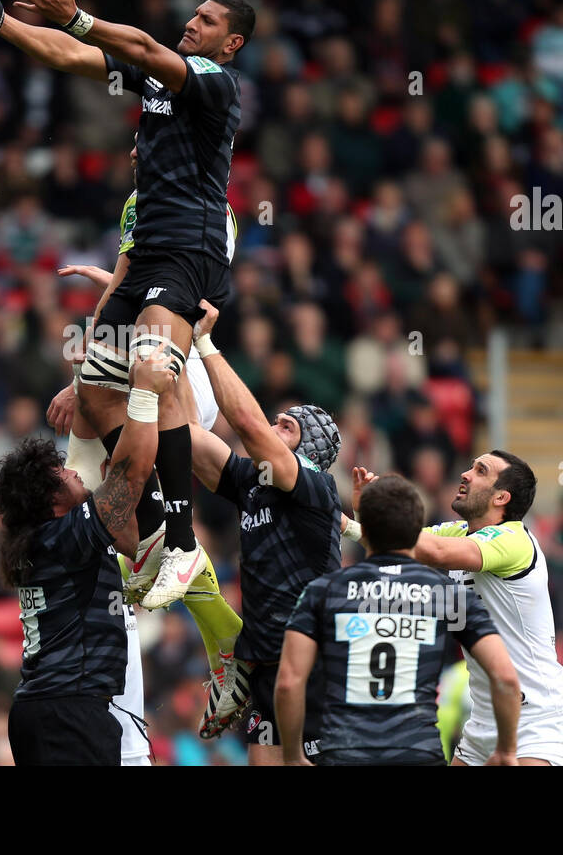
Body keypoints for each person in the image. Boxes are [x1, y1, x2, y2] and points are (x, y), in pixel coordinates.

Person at [0, 0, 255, 609]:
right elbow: (78, 56)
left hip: (187, 252)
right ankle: (142, 527)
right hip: (146, 253)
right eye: (193, 15)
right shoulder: (156, 84)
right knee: (91, 391)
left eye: (207, 20)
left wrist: (76, 14)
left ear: (232, 43)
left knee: (153, 370)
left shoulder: (214, 83)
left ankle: (179, 540)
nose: (192, 23)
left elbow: (134, 47)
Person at [48, 139, 243, 760]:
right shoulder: (205, 205)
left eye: (148, 142)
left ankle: (179, 544)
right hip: (173, 374)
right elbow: (145, 288)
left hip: (166, 379)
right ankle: (224, 644)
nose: (136, 150)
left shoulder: (153, 202)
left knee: (108, 505)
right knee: (115, 523)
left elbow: (152, 293)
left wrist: (84, 372)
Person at [0, 344, 177, 765]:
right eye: (62, 472)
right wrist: (144, 393)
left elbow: (130, 533)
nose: (74, 471)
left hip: (52, 710)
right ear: (50, 497)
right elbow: (134, 475)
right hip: (68, 713)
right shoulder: (64, 536)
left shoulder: (45, 541)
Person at [186, 301, 352, 761]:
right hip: (265, 661)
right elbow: (188, 436)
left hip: (311, 658)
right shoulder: (251, 485)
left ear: (309, 448)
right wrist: (171, 347)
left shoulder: (315, 486)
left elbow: (247, 424)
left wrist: (204, 342)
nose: (272, 427)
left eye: (287, 425)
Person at [276, 474, 521, 765]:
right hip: (416, 753)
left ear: (364, 529)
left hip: (345, 753)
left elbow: (289, 681)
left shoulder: (323, 591)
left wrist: (292, 757)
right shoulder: (446, 595)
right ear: (418, 529)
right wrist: (506, 751)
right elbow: (505, 677)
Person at [397, 450, 563, 765]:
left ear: (501, 497)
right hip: (482, 726)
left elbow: (437, 552)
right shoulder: (456, 533)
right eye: (470, 467)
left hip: (538, 725)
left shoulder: (515, 539)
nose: (466, 474)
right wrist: (361, 517)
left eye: (480, 471)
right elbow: (397, 541)